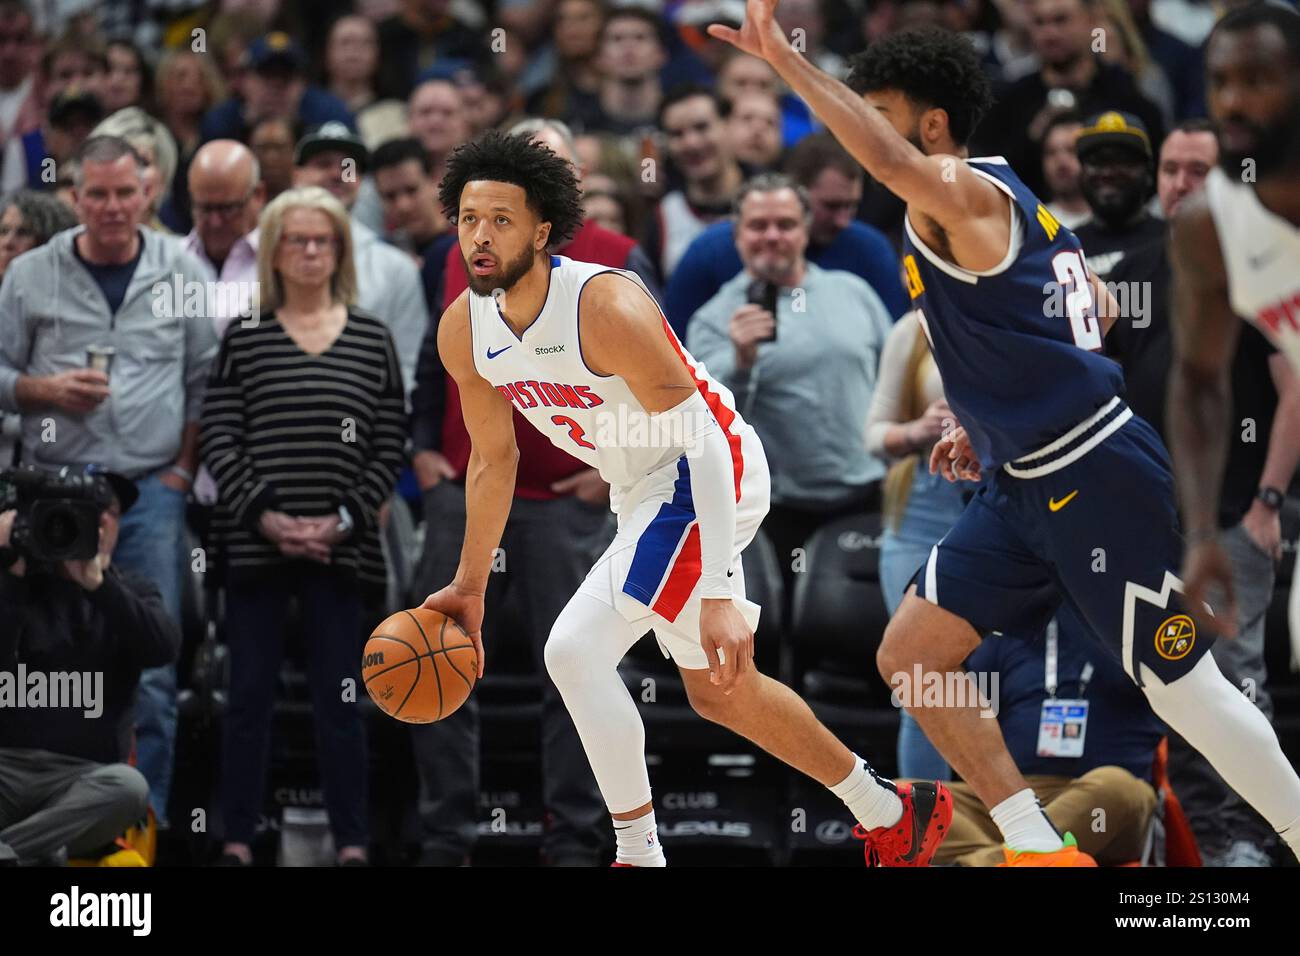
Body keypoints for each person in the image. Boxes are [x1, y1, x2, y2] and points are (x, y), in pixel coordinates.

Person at [711, 8, 1300, 865]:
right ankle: (1035, 844)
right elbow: (1070, 311)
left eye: (880, 111)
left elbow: (885, 159)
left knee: (1184, 691)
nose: (864, 133)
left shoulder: (962, 191)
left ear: (931, 125)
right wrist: (982, 426)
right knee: (912, 655)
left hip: (1096, 476)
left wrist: (785, 62)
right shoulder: (995, 197)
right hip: (1022, 478)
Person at [421, 130, 954, 868]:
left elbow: (699, 437)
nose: (480, 236)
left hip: (707, 468)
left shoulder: (604, 304)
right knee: (722, 693)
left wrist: (720, 591)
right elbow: (492, 459)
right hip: (642, 488)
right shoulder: (464, 328)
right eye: (468, 218)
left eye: (501, 220)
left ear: (543, 230)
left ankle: (638, 855)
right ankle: (894, 811)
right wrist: (470, 587)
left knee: (572, 652)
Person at [0, 135, 218, 826]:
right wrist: (42, 389)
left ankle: (135, 826)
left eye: (126, 193)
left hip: (147, 491)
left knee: (152, 666)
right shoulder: (30, 273)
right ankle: (35, 811)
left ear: (148, 192)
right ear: (75, 197)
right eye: (97, 194)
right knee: (25, 658)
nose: (112, 207)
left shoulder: (183, 268)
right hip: (45, 489)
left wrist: (184, 470)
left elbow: (203, 380)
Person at [199, 186, 407, 867]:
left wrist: (342, 520)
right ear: (275, 253)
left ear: (340, 250)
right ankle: (235, 838)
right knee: (248, 698)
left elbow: (388, 443)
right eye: (297, 240)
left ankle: (351, 841)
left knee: (340, 701)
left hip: (341, 551)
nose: (311, 252)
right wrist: (266, 514)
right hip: (256, 546)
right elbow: (221, 439)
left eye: (323, 240)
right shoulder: (247, 337)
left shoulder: (372, 338)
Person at [687, 172, 893, 596]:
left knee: (866, 640)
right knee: (774, 645)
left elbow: (893, 385)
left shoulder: (853, 293)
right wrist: (741, 363)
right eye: (758, 226)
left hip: (867, 499)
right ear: (737, 234)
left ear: (805, 230)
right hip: (770, 513)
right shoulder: (713, 319)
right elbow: (704, 427)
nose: (772, 236)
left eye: (785, 224)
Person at [0, 470, 179, 866]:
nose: (78, 526)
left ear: (114, 526)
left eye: (99, 515)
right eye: (58, 516)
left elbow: (161, 649)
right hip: (6, 770)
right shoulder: (12, 581)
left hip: (82, 783)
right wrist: (9, 573)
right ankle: (37, 852)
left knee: (130, 787)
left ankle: (16, 850)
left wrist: (99, 585)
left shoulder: (132, 589)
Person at [665, 132, 907, 336]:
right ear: (795, 193)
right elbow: (673, 345)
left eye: (851, 205)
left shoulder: (870, 250)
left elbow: (894, 344)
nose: (844, 221)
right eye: (831, 206)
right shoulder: (710, 253)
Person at [866, 309, 970, 780]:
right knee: (923, 681)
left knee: (998, 680)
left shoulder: (1019, 310)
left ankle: (997, 827)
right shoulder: (915, 328)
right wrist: (918, 431)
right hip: (924, 511)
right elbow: (872, 435)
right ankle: (927, 836)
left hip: (1002, 504)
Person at [972, 0, 1165, 199]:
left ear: (1090, 21)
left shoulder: (1125, 96)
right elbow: (989, 180)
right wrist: (1033, 135)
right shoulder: (1008, 102)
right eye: (1039, 23)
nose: (1050, 33)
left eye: (1061, 20)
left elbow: (1153, 173)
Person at [292, 122, 428, 395]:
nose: (337, 174)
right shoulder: (260, 252)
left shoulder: (395, 268)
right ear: (296, 175)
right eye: (323, 164)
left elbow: (408, 367)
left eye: (348, 167)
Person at [0, 190, 78, 468]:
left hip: (39, 457)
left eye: (23, 233)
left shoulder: (66, 309)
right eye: (4, 230)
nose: (8, 242)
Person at [649, 85, 746, 281]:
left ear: (728, 126)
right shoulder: (662, 216)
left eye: (702, 127)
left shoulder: (774, 198)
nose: (691, 143)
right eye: (677, 134)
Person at [1040, 111, 1089, 229]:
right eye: (1051, 152)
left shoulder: (1112, 219)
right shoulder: (1034, 226)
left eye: (1071, 150)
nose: (1061, 161)